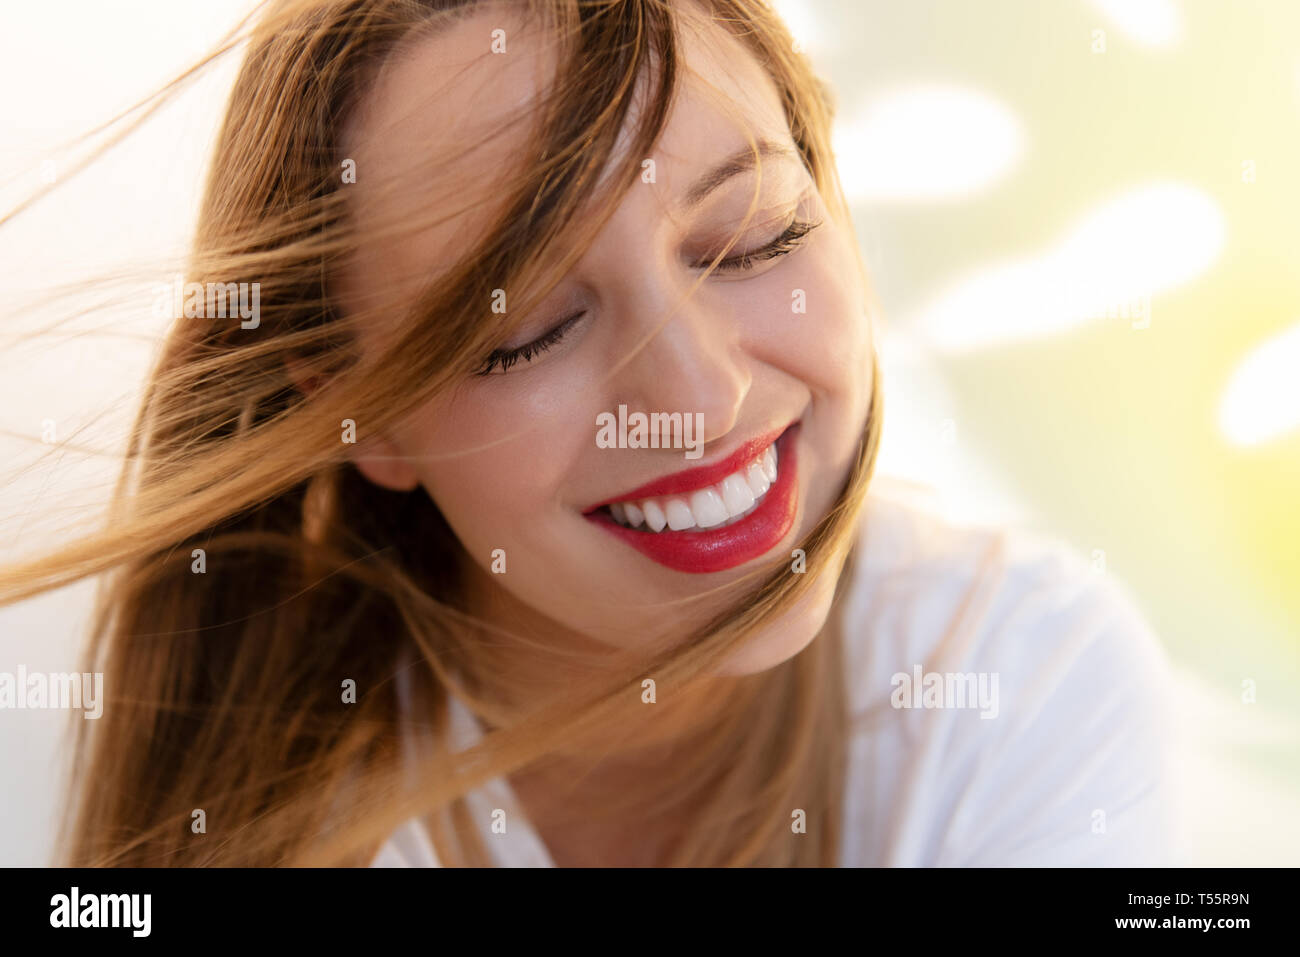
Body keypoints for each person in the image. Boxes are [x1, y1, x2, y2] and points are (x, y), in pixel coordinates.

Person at [0, 0, 1175, 867]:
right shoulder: (279, 830)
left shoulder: (1024, 675)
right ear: (351, 411)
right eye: (527, 332)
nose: (700, 398)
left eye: (755, 236)